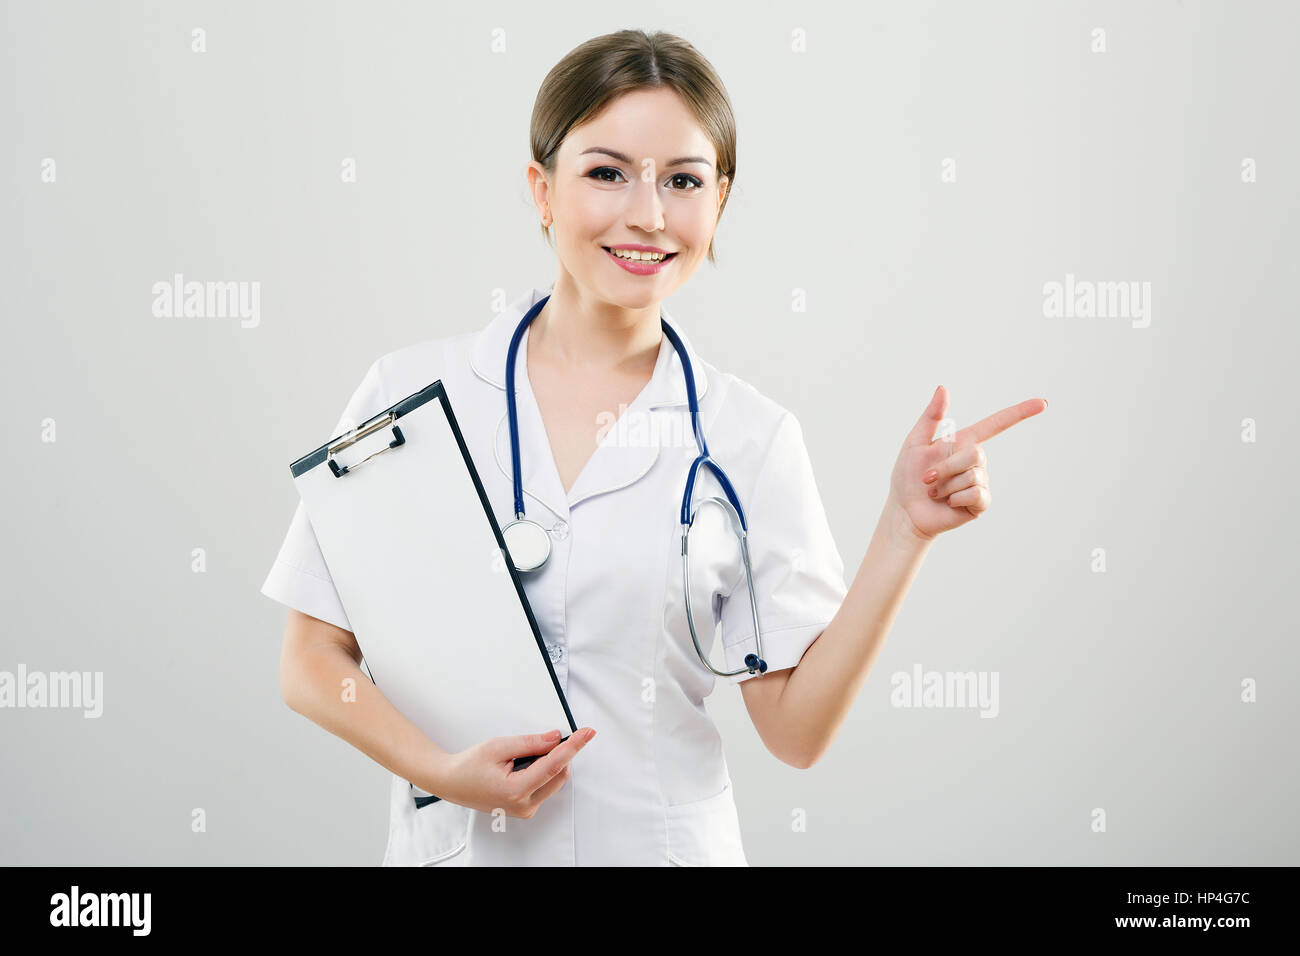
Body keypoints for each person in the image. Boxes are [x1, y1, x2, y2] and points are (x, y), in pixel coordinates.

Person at [261, 29, 1047, 866]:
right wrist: (443, 771)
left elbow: (797, 732)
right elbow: (312, 660)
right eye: (606, 173)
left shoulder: (750, 438)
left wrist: (903, 531)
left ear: (721, 201)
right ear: (542, 190)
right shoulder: (411, 396)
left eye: (683, 181)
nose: (649, 214)